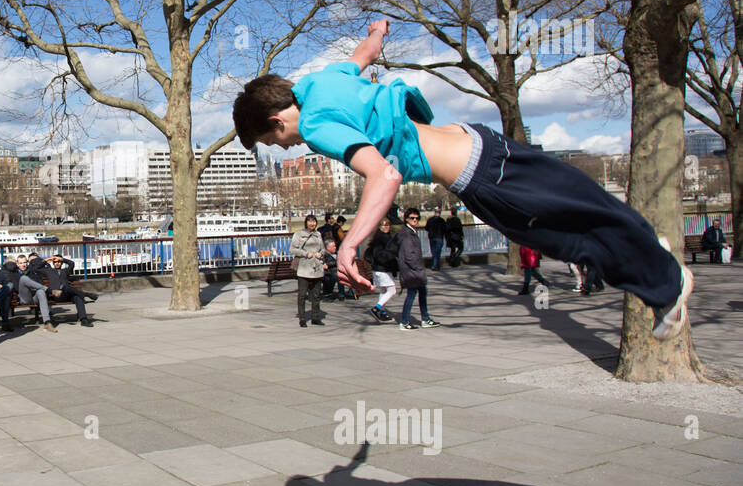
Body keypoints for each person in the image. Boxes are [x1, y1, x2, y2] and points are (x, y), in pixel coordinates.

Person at [231, 18, 693, 339]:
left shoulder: (314, 124)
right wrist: (377, 32)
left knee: (567, 238)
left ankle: (666, 285)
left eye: (276, 141)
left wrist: (351, 244)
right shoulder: (323, 79)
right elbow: (363, 54)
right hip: (483, 141)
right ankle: (649, 247)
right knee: (576, 194)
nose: (288, 146)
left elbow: (385, 175)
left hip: (480, 176)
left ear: (275, 120)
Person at [397, 208, 441, 330]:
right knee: (411, 294)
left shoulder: (411, 231)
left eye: (417, 218)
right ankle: (404, 322)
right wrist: (418, 267)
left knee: (422, 293)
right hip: (412, 271)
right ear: (406, 219)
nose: (415, 220)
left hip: (415, 271)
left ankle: (425, 319)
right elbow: (409, 254)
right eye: (412, 218)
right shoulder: (406, 234)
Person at [41, 253, 98, 327]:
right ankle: (86, 294)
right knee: (66, 288)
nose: (57, 263)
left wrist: (62, 259)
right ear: (53, 263)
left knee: (77, 297)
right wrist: (48, 259)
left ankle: (83, 320)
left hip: (67, 295)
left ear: (61, 263)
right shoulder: (49, 271)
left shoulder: (65, 271)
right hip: (56, 295)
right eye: (55, 262)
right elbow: (37, 267)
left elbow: (71, 263)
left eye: (59, 262)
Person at [289, 214, 325, 327]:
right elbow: (292, 249)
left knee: (316, 294)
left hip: (317, 267)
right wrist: (305, 254)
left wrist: (321, 254)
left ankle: (315, 317)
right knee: (302, 294)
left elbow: (323, 248)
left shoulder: (318, 234)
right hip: (304, 267)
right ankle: (302, 318)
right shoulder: (299, 234)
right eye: (310, 221)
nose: (312, 224)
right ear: (306, 223)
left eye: (314, 221)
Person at [364, 216, 400, 322]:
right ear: (379, 227)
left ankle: (382, 312)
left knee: (384, 291)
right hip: (382, 268)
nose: (386, 227)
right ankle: (377, 308)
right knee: (392, 290)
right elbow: (380, 254)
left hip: (378, 269)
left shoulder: (378, 237)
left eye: (388, 224)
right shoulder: (383, 238)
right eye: (384, 225)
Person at [15, 254, 58, 332]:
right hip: (23, 297)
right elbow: (16, 288)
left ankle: (47, 322)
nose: (23, 265)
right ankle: (49, 290)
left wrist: (33, 285)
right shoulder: (15, 273)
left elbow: (40, 283)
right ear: (17, 264)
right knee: (24, 278)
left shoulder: (32, 272)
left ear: (27, 263)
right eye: (21, 263)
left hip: (33, 296)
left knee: (41, 291)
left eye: (24, 262)